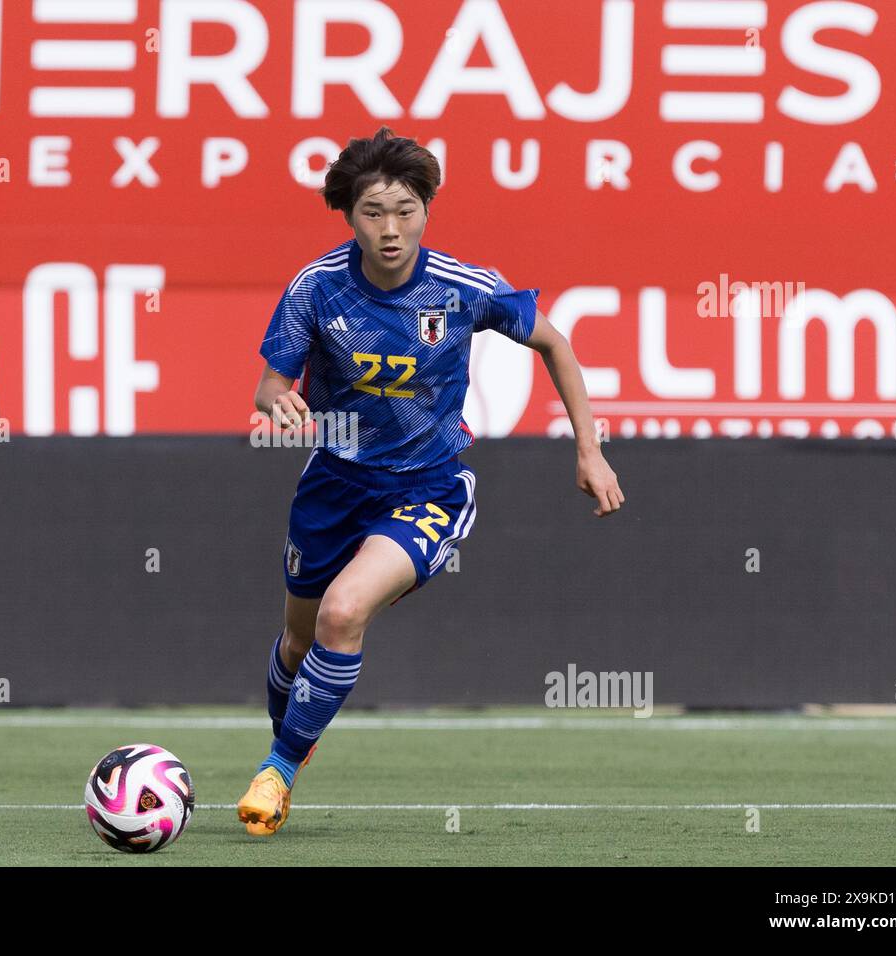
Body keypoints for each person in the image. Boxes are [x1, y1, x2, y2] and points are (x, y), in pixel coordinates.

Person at [237, 126, 625, 836]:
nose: (391, 229)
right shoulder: (316, 289)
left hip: (427, 488)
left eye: (406, 209)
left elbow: (555, 343)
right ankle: (286, 746)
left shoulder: (463, 287)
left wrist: (589, 450)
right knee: (297, 646)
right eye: (373, 213)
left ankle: (279, 769)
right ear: (349, 216)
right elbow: (268, 386)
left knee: (343, 614)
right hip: (332, 485)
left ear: (427, 207)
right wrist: (280, 402)